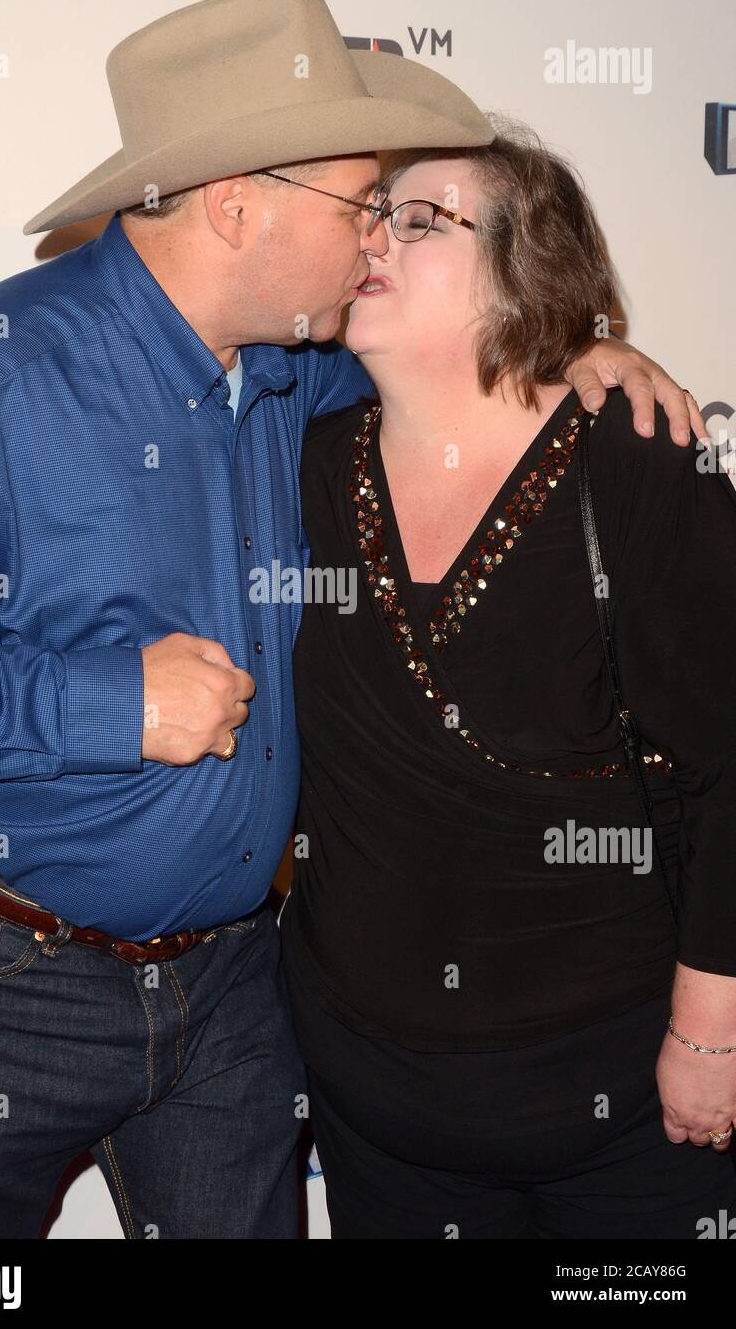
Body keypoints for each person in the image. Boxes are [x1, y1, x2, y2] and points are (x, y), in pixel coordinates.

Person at [0, 0, 700, 1240]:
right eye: (361, 202)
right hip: (0, 984)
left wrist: (582, 341)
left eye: (394, 213)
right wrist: (112, 701)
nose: (375, 237)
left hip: (236, 997)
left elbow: (478, 360)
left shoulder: (300, 368)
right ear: (237, 204)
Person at [279, 121, 736, 1239]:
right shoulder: (304, 452)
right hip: (376, 1106)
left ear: (523, 273)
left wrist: (709, 1028)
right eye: (375, 212)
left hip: (624, 1100)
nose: (376, 234)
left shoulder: (627, 454)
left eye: (423, 219)